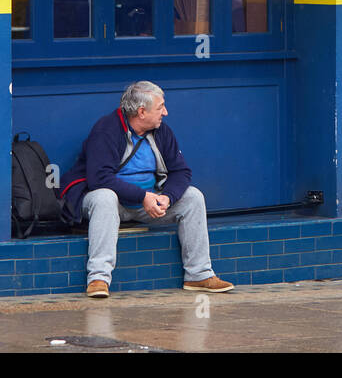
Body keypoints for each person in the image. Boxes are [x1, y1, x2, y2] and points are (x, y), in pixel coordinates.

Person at [59, 80, 233, 297]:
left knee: (193, 197)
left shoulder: (162, 131)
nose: (166, 112)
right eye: (160, 107)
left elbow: (181, 171)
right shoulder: (107, 129)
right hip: (112, 203)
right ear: (142, 112)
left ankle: (198, 275)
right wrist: (142, 197)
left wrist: (167, 198)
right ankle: (98, 278)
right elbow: (99, 179)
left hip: (149, 203)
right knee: (104, 197)